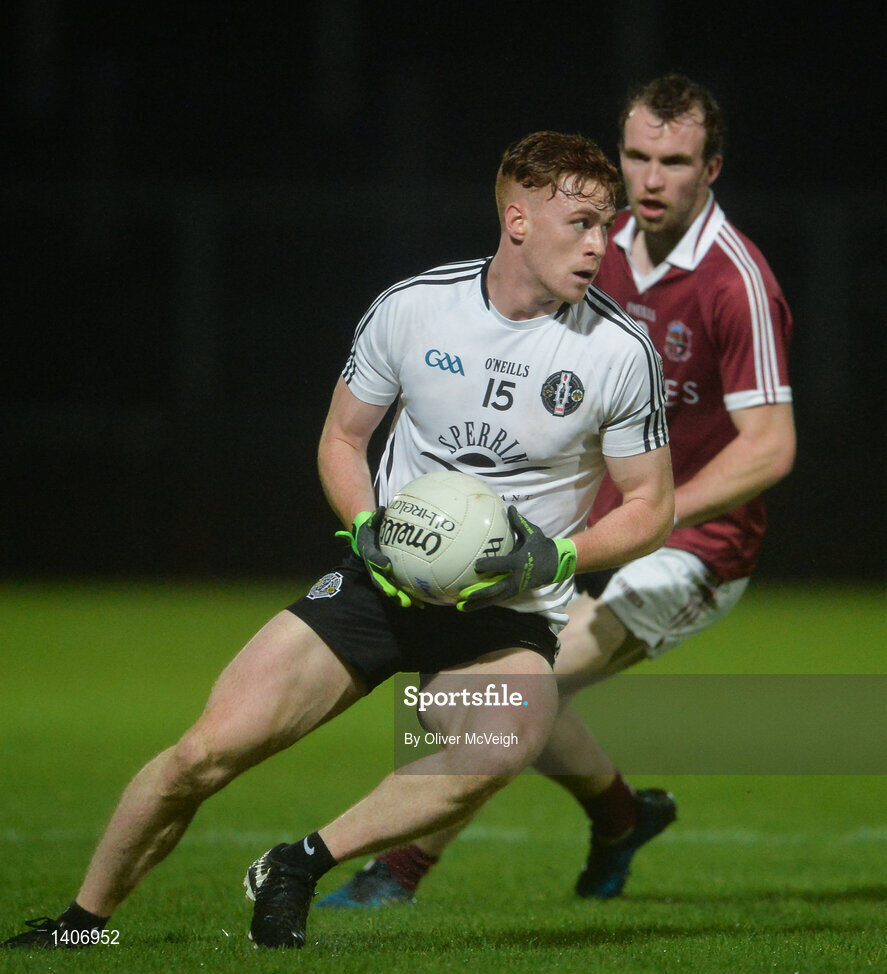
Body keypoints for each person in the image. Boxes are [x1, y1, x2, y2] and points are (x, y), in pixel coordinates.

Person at [2, 130, 674, 950]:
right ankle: (81, 926)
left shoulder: (617, 351)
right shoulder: (412, 308)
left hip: (505, 611)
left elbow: (649, 506)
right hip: (378, 585)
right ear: (518, 218)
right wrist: (369, 530)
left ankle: (297, 862)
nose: (600, 245)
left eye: (608, 227)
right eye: (581, 223)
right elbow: (340, 441)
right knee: (202, 755)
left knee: (500, 746)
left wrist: (556, 556)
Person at [319, 73, 796, 909]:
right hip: (579, 523)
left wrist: (653, 515)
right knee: (487, 692)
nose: (649, 180)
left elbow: (769, 449)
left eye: (674, 161)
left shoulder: (734, 282)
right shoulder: (590, 245)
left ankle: (396, 870)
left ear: (710, 169)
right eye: (636, 156)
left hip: (693, 547)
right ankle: (620, 814)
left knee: (511, 686)